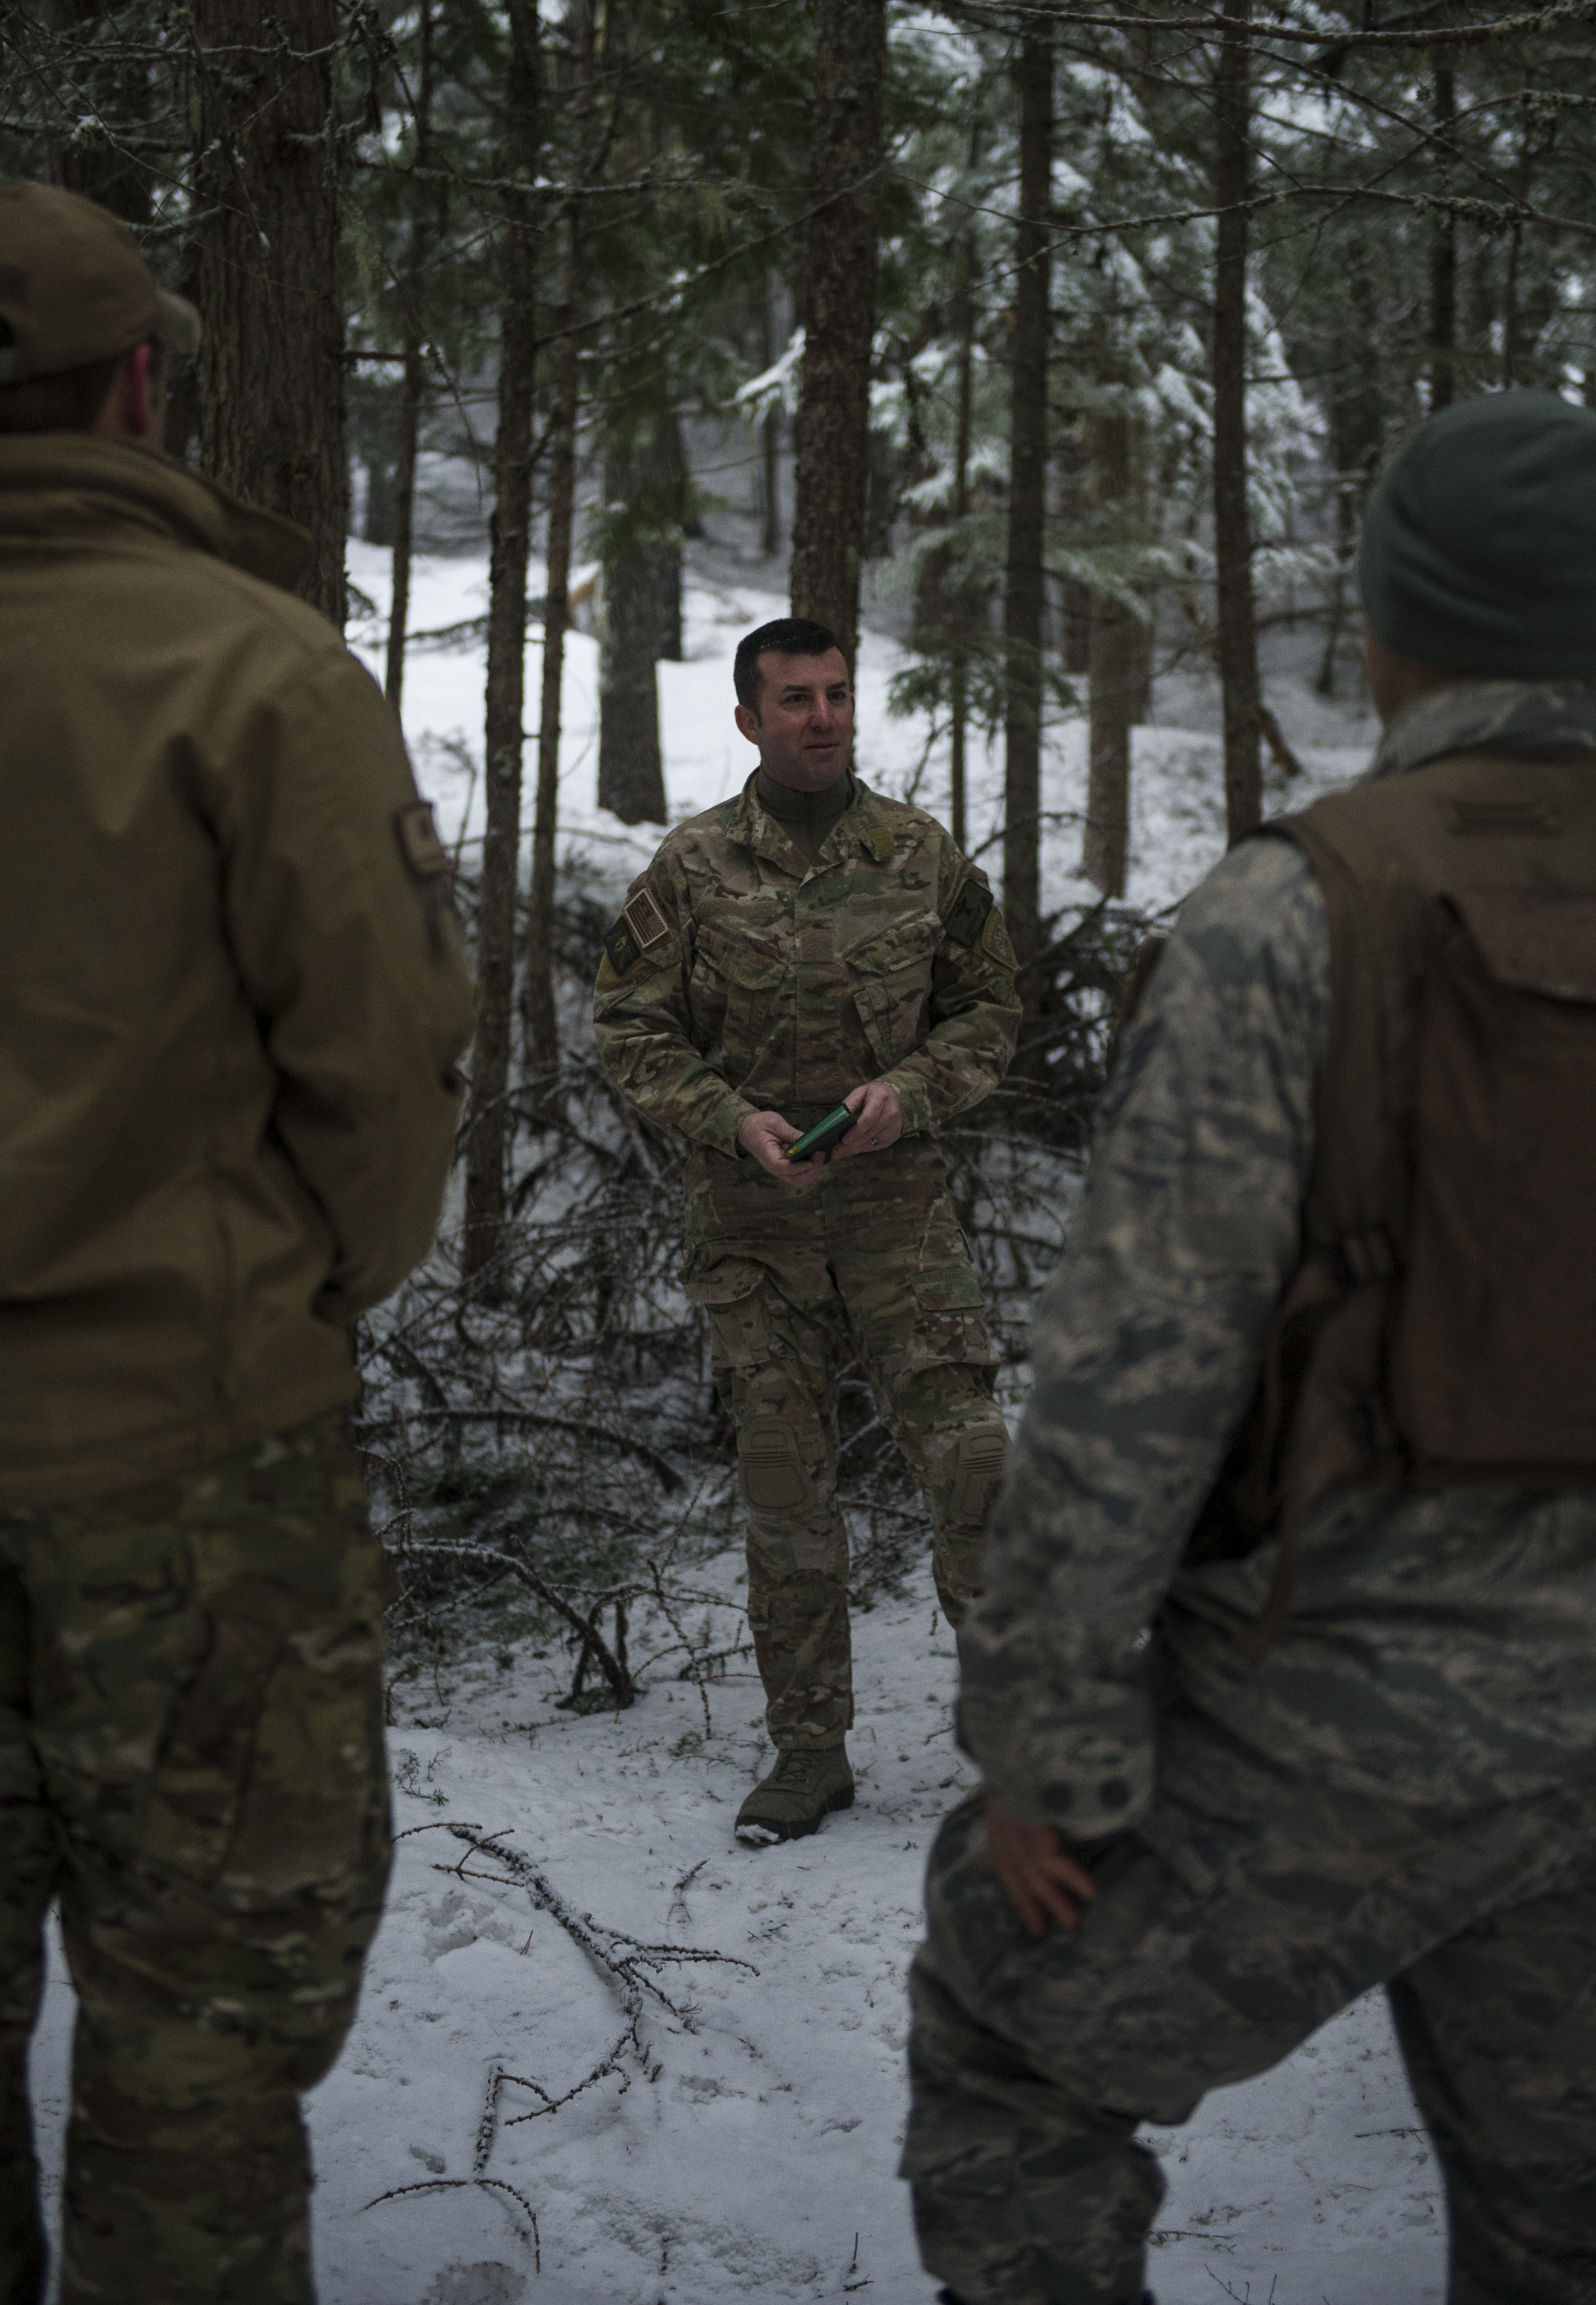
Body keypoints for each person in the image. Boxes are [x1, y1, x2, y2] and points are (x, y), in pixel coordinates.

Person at [904, 389, 1596, 2305]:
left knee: (1007, 2043)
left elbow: (1136, 1372)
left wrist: (1045, 1732)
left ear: (1390, 627)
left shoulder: (1300, 910)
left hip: (1350, 1711)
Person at [0, 183, 475, 2305]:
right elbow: (381, 1078)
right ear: (137, 385)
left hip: (180, 1434)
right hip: (188, 1483)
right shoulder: (251, 669)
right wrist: (272, 1324)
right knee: (197, 2059)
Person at [594, 617, 1020, 1844]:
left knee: (974, 1464)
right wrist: (730, 1121)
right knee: (788, 1491)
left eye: (836, 693)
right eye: (793, 698)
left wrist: (916, 1092)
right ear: (748, 719)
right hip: (751, 1223)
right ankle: (808, 1751)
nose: (821, 715)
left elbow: (991, 1006)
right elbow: (629, 1029)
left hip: (897, 1219)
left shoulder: (918, 854)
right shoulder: (691, 866)